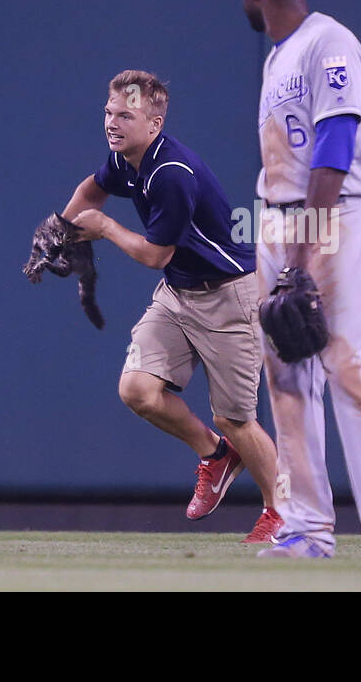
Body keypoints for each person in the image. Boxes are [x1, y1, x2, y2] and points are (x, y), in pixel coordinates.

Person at [222, 0, 361, 558]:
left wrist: (302, 256)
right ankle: (306, 526)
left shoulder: (329, 41)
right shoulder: (280, 56)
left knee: (346, 366)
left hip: (334, 216)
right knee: (285, 379)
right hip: (281, 222)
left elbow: (336, 145)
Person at [63, 70, 282, 543]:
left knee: (235, 419)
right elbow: (91, 187)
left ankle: (282, 513)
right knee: (137, 390)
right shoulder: (126, 159)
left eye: (126, 115)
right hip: (179, 293)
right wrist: (62, 228)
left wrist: (103, 226)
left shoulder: (171, 174)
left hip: (229, 296)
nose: (112, 123)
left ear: (155, 124)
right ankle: (215, 455)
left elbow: (153, 255)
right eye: (108, 113)